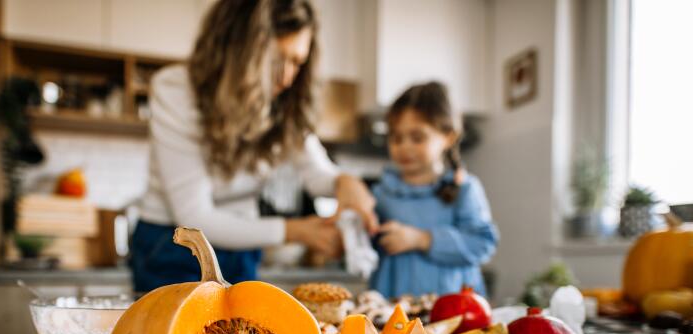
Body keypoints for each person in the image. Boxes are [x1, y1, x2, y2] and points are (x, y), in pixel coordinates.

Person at [131, 0, 377, 292]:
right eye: (275, 60)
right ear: (237, 50)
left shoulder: (282, 103)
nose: (286, 78)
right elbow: (195, 217)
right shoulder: (176, 90)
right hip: (173, 246)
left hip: (241, 249)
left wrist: (344, 182)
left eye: (297, 62)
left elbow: (316, 172)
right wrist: (297, 231)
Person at [370, 82, 498, 298]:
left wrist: (422, 239)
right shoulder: (380, 194)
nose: (404, 147)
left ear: (449, 137)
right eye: (396, 137)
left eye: (417, 137)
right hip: (392, 311)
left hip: (455, 313)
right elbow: (367, 247)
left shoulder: (465, 190)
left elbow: (482, 244)